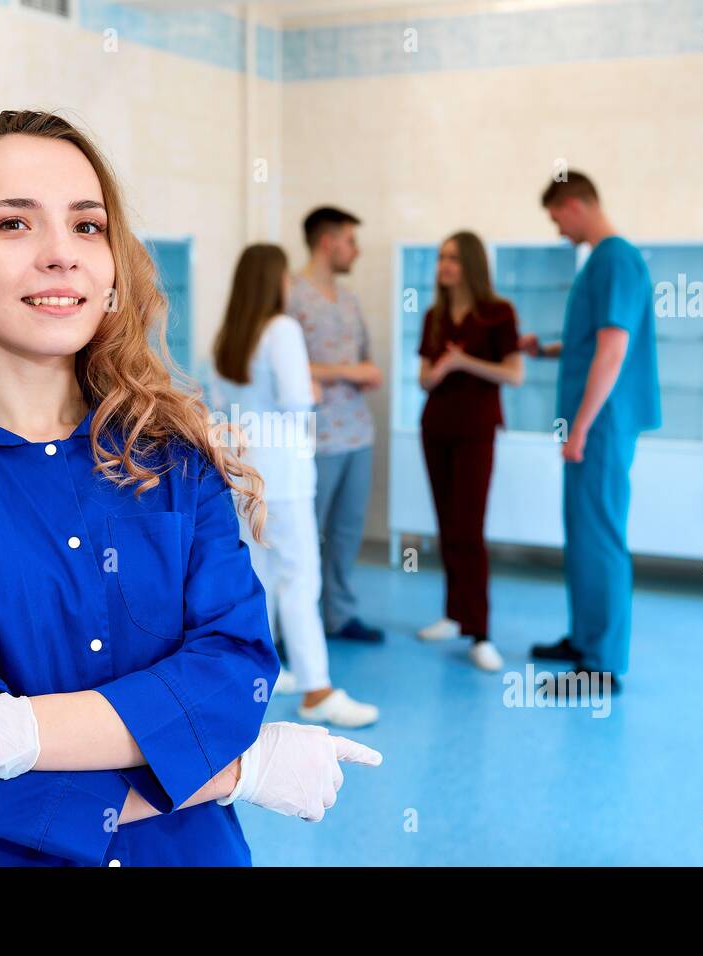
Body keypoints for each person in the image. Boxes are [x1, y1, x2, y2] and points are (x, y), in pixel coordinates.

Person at [0, 110, 381, 867]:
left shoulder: (180, 463)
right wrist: (239, 771)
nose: (60, 255)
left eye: (87, 226)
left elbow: (233, 680)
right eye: (13, 224)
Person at [208, 243, 379, 728]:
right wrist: (314, 390)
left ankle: (261, 672)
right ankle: (317, 691)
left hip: (242, 469)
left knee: (257, 578)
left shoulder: (228, 335)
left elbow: (220, 399)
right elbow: (300, 402)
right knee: (301, 578)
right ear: (273, 281)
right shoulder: (280, 329)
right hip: (283, 471)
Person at [518, 171, 661, 693]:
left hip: (602, 424)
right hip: (596, 423)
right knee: (582, 534)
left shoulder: (616, 257)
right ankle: (584, 639)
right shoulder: (601, 261)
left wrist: (579, 427)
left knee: (599, 536)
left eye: (556, 215)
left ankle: (603, 665)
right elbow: (591, 342)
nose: (557, 227)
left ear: (574, 203)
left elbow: (614, 347)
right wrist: (548, 349)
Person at [415, 232, 524, 671]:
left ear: (472, 265)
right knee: (446, 524)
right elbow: (424, 379)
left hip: (476, 431)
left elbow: (513, 374)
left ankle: (479, 633)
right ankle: (453, 613)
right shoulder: (434, 316)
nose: (445, 265)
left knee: (469, 527)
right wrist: (442, 368)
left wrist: (463, 363)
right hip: (436, 427)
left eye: (454, 258)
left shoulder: (499, 313)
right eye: (441, 257)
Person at [288, 207, 384, 644]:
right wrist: (348, 371)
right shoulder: (290, 295)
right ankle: (295, 625)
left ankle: (339, 615)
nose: (356, 250)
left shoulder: (349, 300)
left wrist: (355, 370)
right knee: (306, 537)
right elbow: (283, 365)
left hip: (357, 434)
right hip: (313, 438)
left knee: (346, 531)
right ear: (328, 242)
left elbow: (367, 361)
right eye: (350, 240)